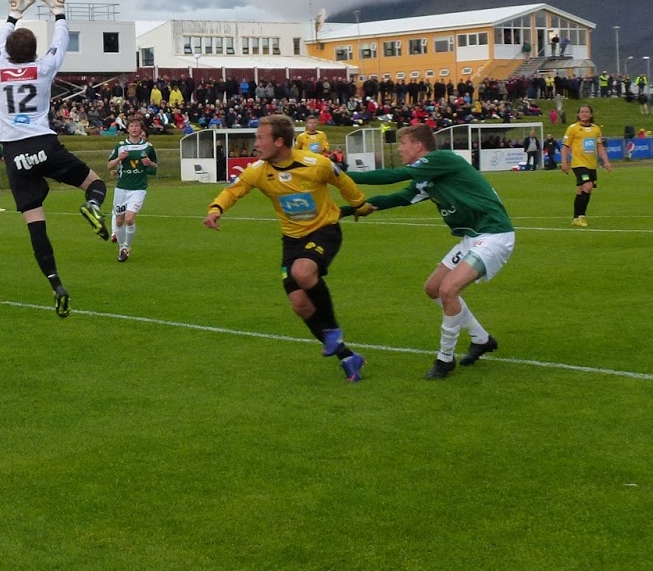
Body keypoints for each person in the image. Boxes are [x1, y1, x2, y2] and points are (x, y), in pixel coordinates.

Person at [203, 114, 368, 381]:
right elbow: (235, 189)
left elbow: (342, 181)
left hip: (324, 230)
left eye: (260, 137)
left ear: (279, 141)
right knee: (299, 303)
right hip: (292, 240)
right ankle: (348, 357)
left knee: (304, 273)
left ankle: (333, 331)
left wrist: (359, 204)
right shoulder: (258, 170)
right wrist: (216, 209)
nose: (255, 143)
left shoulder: (315, 164)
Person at [350, 125, 512, 379]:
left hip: (494, 234)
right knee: (433, 288)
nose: (400, 149)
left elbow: (394, 176)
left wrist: (339, 176)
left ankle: (445, 359)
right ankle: (481, 339)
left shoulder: (442, 159)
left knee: (449, 289)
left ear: (418, 146)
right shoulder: (425, 176)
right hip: (474, 236)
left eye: (403, 144)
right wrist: (344, 211)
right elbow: (398, 198)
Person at [0, 0, 108, 317]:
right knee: (95, 184)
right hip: (43, 142)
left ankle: (56, 283)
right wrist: (58, 10)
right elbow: (61, 43)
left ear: (10, 51)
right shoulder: (43, 68)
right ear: (33, 51)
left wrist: (13, 13)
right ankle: (92, 206)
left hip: (14, 153)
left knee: (34, 221)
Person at [106, 115, 158, 262]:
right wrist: (119, 159)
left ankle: (127, 247)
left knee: (129, 219)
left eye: (137, 126)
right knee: (119, 220)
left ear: (141, 129)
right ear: (128, 129)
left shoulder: (148, 147)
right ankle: (121, 247)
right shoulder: (120, 146)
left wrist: (150, 163)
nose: (135, 128)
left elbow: (155, 165)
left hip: (138, 188)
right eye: (132, 126)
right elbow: (109, 165)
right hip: (122, 188)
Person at [562, 103, 611, 225]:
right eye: (582, 112)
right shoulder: (573, 128)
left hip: (591, 164)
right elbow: (565, 147)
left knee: (582, 190)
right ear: (578, 114)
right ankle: (581, 216)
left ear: (591, 114)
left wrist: (606, 162)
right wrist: (564, 163)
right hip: (578, 164)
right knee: (588, 186)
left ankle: (576, 218)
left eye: (587, 112)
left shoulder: (596, 129)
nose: (584, 114)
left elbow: (599, 146)